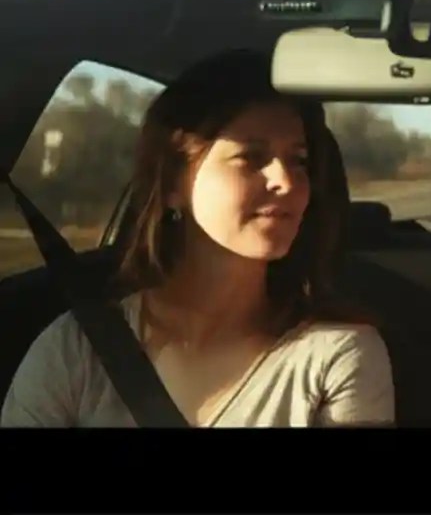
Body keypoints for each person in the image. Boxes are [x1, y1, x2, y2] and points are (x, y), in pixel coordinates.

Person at [1, 49, 395, 427]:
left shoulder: (335, 354)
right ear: (174, 183)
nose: (286, 181)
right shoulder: (76, 350)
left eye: (299, 160)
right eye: (251, 157)